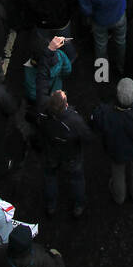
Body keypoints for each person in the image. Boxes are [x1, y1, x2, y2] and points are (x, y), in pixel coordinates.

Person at [91, 77, 133, 205]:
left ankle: (119, 197)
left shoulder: (105, 112)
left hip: (116, 149)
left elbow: (95, 123)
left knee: (117, 171)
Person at [36, 87, 90, 219]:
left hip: (51, 153)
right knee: (76, 179)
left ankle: (51, 205)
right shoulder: (73, 121)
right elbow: (86, 136)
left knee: (50, 178)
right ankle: (78, 205)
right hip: (71, 156)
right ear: (65, 104)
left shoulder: (43, 114)